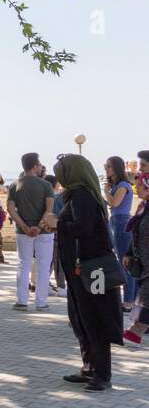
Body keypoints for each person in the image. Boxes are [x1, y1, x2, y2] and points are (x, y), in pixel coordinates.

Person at [49, 154, 123, 391]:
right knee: (81, 318)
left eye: (61, 171)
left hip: (93, 269)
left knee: (95, 318)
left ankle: (102, 374)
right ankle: (90, 368)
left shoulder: (82, 196)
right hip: (82, 270)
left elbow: (84, 228)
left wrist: (56, 223)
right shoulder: (79, 195)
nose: (59, 177)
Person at [7, 153, 56, 309]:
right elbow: (49, 209)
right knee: (43, 265)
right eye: (39, 164)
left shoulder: (14, 185)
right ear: (35, 166)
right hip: (45, 231)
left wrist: (25, 227)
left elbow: (11, 210)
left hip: (23, 232)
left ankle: (22, 301)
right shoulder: (46, 185)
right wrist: (39, 226)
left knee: (23, 264)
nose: (41, 166)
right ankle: (41, 302)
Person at [104, 156, 136, 309]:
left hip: (121, 222)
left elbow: (114, 203)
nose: (106, 168)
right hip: (117, 221)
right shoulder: (118, 185)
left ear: (116, 167)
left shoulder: (123, 185)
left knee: (126, 262)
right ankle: (130, 299)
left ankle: (129, 301)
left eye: (109, 166)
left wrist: (105, 190)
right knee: (123, 261)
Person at [122, 172, 149, 346]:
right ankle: (137, 330)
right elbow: (136, 234)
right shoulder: (143, 207)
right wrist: (128, 253)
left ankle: (137, 329)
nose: (136, 187)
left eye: (139, 185)